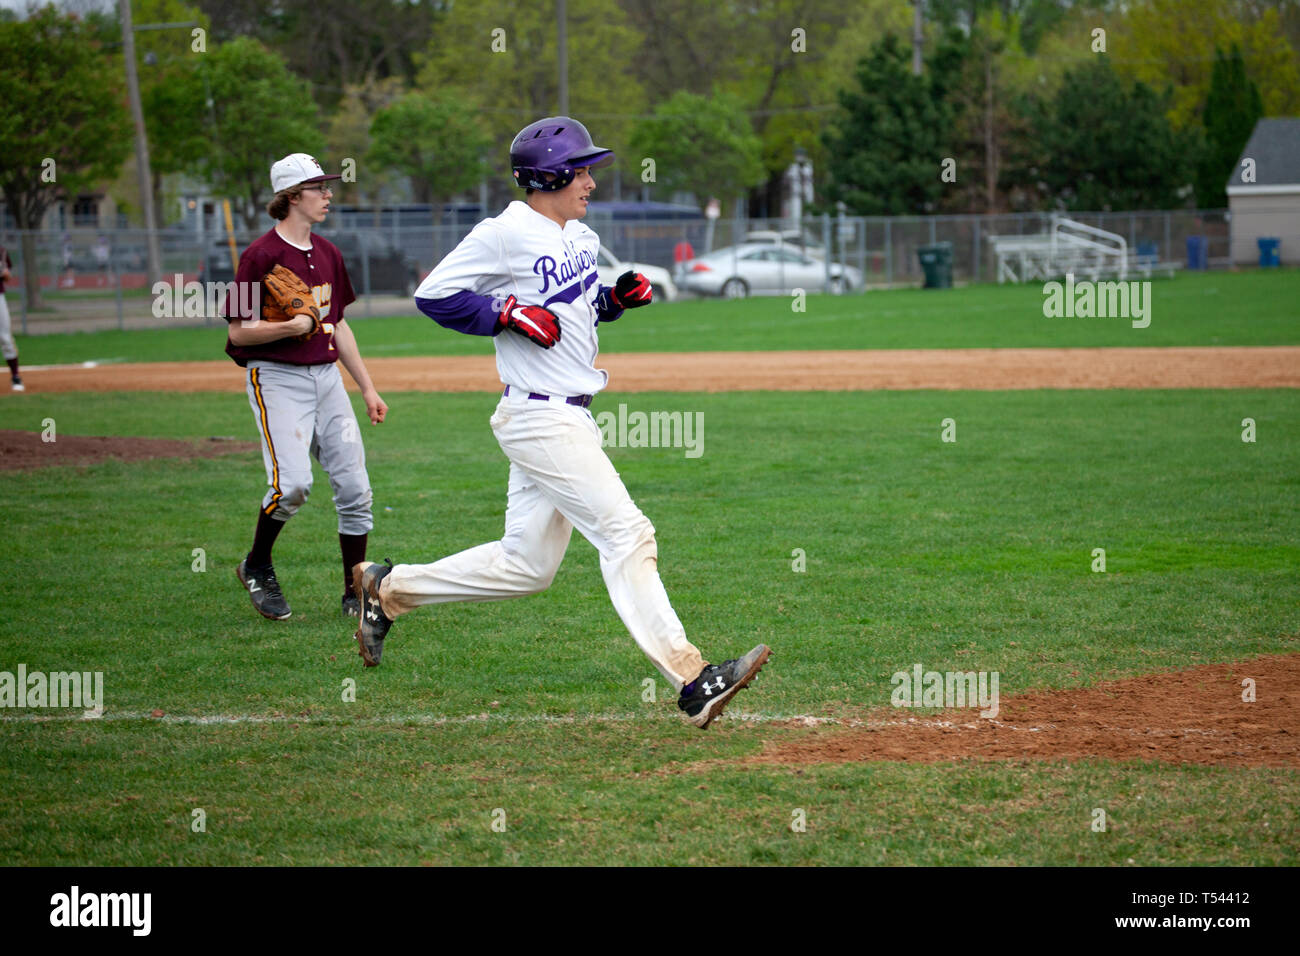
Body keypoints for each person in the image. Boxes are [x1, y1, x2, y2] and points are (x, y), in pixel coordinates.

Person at [350, 116, 770, 729]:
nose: (592, 181)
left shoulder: (577, 235)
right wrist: (505, 311)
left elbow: (575, 306)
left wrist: (612, 301)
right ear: (547, 175)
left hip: (564, 413)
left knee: (527, 567)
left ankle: (389, 590)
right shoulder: (505, 233)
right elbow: (434, 294)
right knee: (627, 534)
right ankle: (691, 678)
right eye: (582, 169)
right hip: (539, 415)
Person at [225, 153, 388, 621]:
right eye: (319, 188)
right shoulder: (258, 256)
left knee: (356, 490)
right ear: (292, 197)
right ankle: (256, 564)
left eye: (327, 187)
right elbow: (238, 332)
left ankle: (352, 592)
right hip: (276, 378)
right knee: (293, 486)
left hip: (327, 378)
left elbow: (338, 325)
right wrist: (291, 326)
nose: (328, 194)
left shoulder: (330, 254)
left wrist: (367, 389)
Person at [0, 241, 21, 391]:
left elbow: (7, 275)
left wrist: (6, 274)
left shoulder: (1, 251)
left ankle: (15, 376)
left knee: (5, 337)